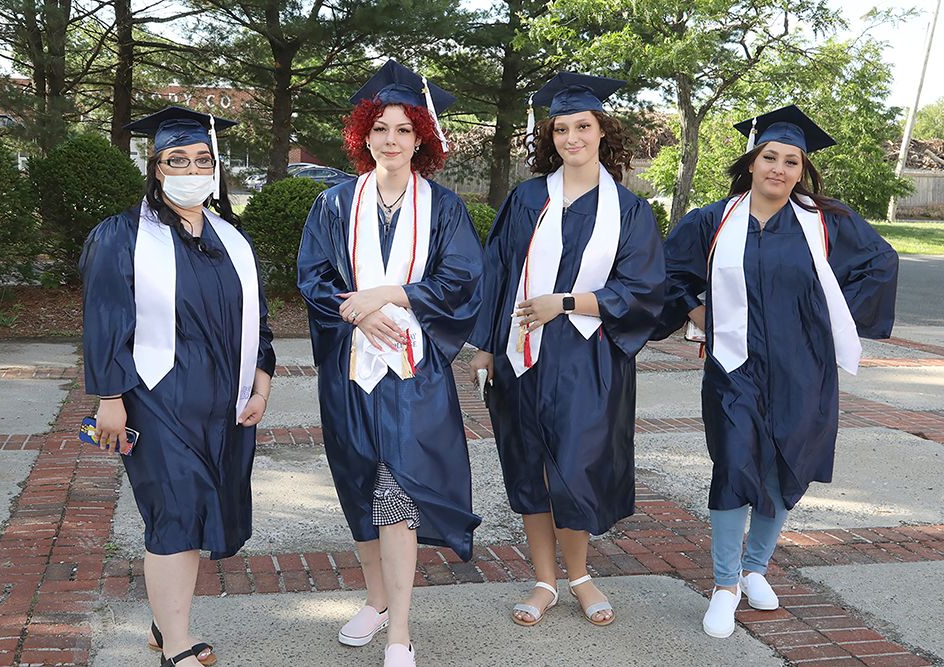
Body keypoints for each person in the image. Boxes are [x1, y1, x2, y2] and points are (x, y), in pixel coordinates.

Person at [653, 105, 898, 639]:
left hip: (802, 368)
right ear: (752, 160)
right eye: (770, 157)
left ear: (802, 169)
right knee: (735, 466)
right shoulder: (712, 220)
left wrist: (831, 318)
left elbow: (880, 263)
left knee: (784, 468)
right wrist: (695, 311)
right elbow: (667, 273)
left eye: (792, 161)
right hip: (733, 367)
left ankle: (755, 568)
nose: (780, 170)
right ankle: (723, 585)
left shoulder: (827, 222)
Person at [297, 60, 483, 667]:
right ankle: (375, 600)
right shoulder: (333, 204)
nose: (392, 140)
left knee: (397, 488)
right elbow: (314, 277)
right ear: (362, 136)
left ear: (422, 139)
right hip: (350, 371)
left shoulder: (446, 208)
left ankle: (400, 627)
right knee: (358, 482)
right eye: (381, 128)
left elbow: (460, 280)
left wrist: (387, 297)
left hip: (414, 375)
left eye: (404, 130)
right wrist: (356, 313)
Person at [79, 107, 276, 667]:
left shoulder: (232, 239)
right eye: (177, 159)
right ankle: (178, 646)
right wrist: (110, 398)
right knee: (176, 512)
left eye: (202, 160)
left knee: (199, 511)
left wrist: (260, 385)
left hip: (225, 405)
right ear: (155, 165)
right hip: (157, 400)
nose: (191, 168)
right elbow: (104, 320)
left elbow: (257, 322)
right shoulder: (121, 236)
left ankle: (165, 627)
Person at [468, 72, 666, 628]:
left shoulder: (628, 209)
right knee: (529, 465)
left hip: (589, 358)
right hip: (522, 351)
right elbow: (497, 273)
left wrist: (569, 302)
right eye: (561, 128)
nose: (572, 137)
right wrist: (484, 347)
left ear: (603, 131)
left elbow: (644, 288)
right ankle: (543, 581)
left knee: (575, 469)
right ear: (549, 135)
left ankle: (578, 575)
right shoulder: (528, 198)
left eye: (583, 126)